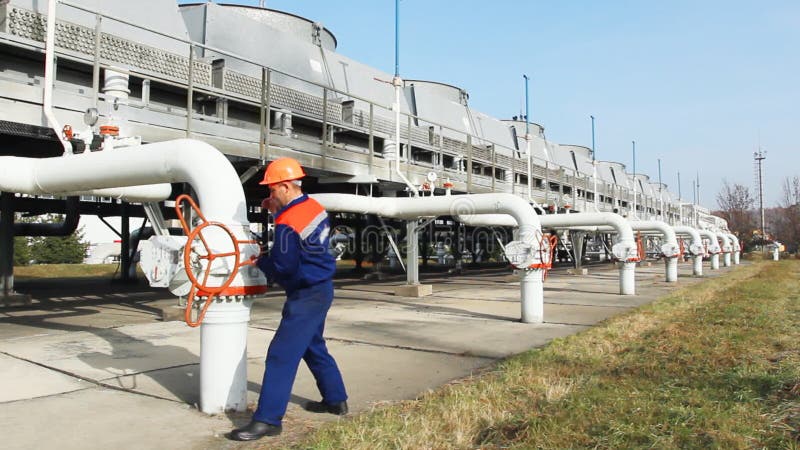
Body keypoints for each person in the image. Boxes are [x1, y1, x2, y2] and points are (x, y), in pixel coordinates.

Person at [230, 157, 348, 441]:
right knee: (313, 347)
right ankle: (336, 400)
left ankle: (268, 420)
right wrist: (276, 211)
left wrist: (260, 261)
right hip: (321, 288)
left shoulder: (287, 223)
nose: (270, 194)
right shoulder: (314, 208)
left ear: (285, 186)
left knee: (281, 354)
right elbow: (301, 241)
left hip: (306, 295)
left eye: (272, 189)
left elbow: (284, 267)